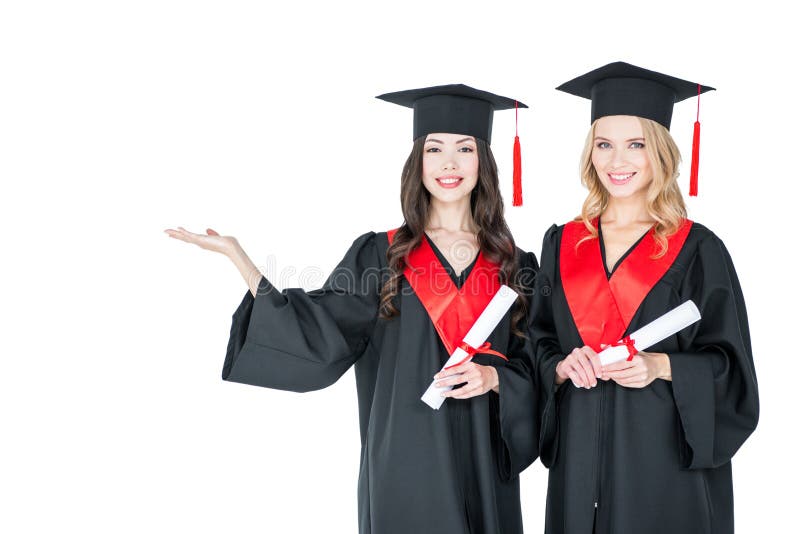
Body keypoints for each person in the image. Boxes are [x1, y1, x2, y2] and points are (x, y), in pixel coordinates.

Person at [165, 84, 539, 534]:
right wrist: (240, 259)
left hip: (485, 463)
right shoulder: (380, 256)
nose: (449, 164)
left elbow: (534, 367)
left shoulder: (516, 266)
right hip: (404, 459)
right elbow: (320, 329)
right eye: (434, 149)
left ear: (484, 161)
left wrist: (495, 378)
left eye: (465, 149)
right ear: (417, 161)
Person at [530, 62, 759, 534]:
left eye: (636, 144)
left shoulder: (698, 249)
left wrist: (662, 366)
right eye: (604, 145)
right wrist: (560, 366)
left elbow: (731, 370)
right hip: (578, 461)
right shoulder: (562, 243)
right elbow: (537, 341)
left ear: (661, 152)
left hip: (663, 467)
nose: (618, 161)